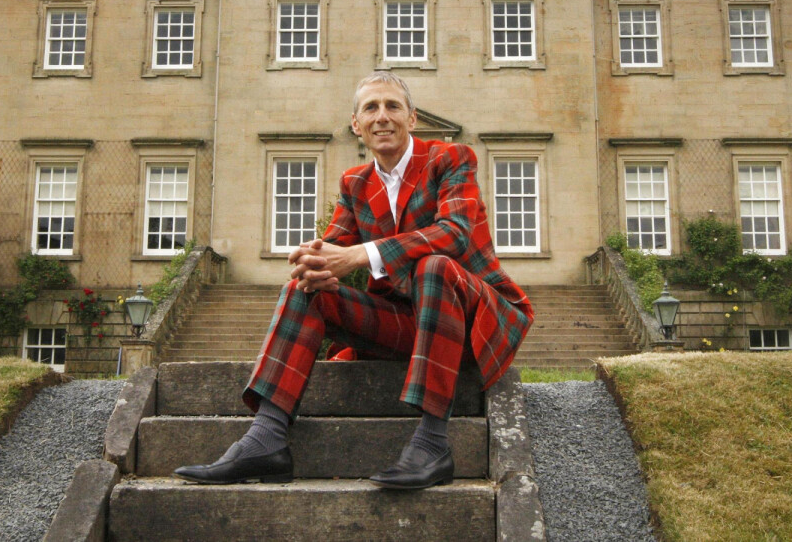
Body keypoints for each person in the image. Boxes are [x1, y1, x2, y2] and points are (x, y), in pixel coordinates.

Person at [174, 71, 534, 490]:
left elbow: (454, 233)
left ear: (412, 118)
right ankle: (266, 439)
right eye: (370, 108)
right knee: (306, 288)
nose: (382, 116)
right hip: (408, 325)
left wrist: (362, 254)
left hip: (474, 321)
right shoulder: (355, 182)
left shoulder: (451, 159)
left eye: (392, 106)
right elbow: (334, 249)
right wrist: (312, 260)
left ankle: (433, 443)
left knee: (433, 267)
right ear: (356, 123)